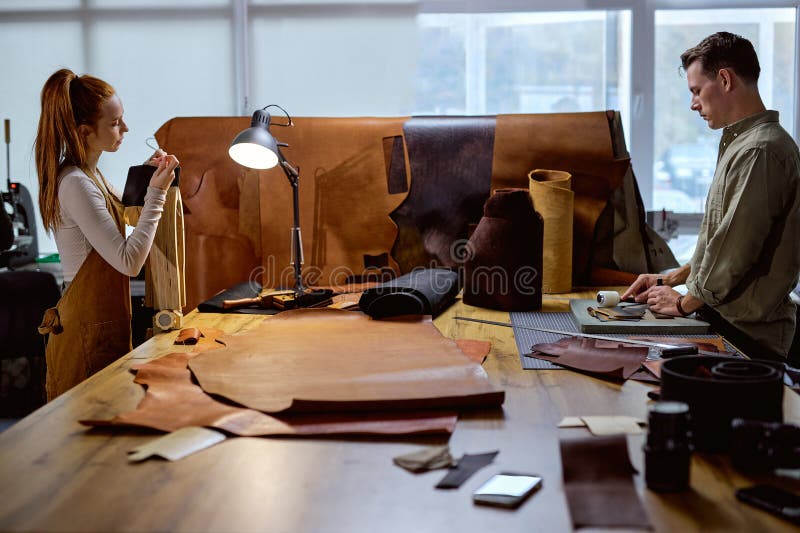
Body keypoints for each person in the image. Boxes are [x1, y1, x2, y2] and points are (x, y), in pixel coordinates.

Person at [622, 32, 800, 361]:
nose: (693, 103)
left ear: (724, 79)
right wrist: (671, 277)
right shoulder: (744, 144)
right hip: (729, 323)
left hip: (747, 337)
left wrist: (681, 302)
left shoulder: (760, 150)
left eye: (696, 90)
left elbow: (736, 249)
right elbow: (721, 242)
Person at [35, 68, 180, 399]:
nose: (125, 128)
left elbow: (126, 216)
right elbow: (128, 260)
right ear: (86, 131)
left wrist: (147, 176)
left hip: (101, 322)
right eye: (115, 123)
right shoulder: (75, 183)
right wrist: (156, 193)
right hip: (85, 332)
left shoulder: (92, 175)